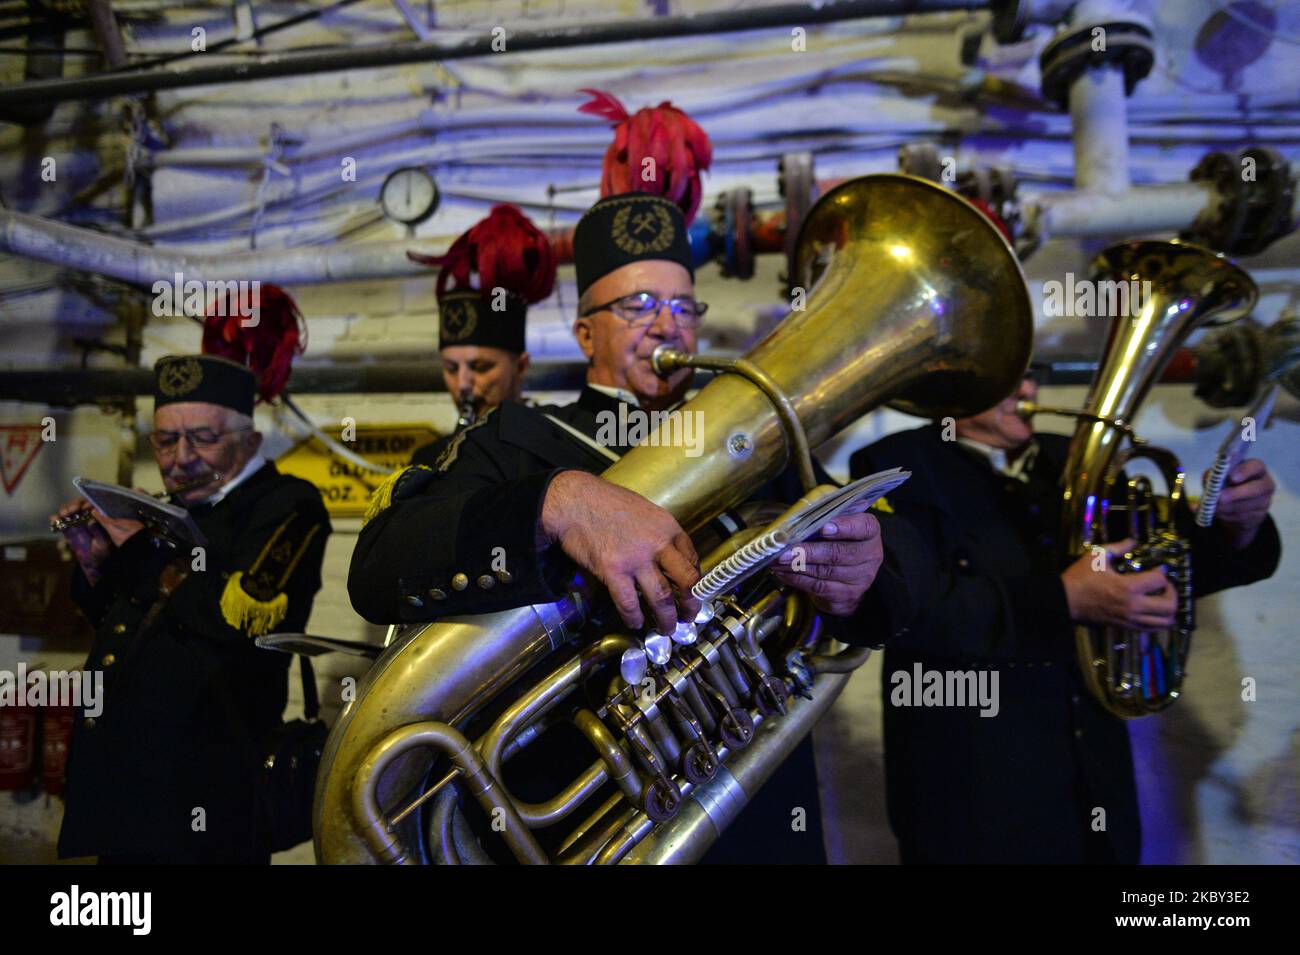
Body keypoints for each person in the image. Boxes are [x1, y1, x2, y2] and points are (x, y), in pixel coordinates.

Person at [350, 192, 903, 863]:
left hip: (761, 827)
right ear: (586, 333)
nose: (667, 326)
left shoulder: (765, 445)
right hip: (590, 833)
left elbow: (906, 582)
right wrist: (557, 500)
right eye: (638, 306)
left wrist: (865, 573)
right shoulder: (518, 441)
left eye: (682, 306)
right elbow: (379, 565)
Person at [848, 370, 1281, 864]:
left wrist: (1235, 526)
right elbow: (905, 610)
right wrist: (1061, 600)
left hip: (1094, 785)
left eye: (1029, 377)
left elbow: (1161, 562)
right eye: (1005, 377)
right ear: (956, 391)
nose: (1027, 390)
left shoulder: (1074, 460)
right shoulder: (896, 465)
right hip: (971, 794)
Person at [54, 354, 331, 864]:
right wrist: (97, 565)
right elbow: (131, 627)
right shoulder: (170, 509)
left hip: (211, 793)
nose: (181, 459)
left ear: (250, 441)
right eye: (165, 440)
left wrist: (143, 550)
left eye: (204, 438)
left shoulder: (287, 504)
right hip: (128, 782)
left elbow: (238, 620)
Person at [407, 204, 556, 465]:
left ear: (521, 367)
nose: (463, 384)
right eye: (451, 368)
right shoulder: (427, 460)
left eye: (481, 366)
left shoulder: (552, 447)